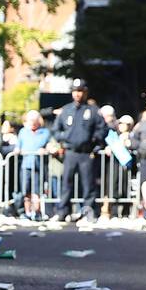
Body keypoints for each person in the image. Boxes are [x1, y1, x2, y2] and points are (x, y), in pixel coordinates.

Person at [50, 78, 106, 221]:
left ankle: (89, 212)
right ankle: (62, 211)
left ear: (85, 92)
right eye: (75, 91)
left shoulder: (93, 110)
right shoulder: (66, 110)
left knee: (88, 185)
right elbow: (55, 130)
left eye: (80, 91)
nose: (77, 94)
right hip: (70, 152)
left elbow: (102, 130)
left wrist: (94, 141)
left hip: (86, 153)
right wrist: (64, 137)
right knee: (66, 183)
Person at [14, 109, 51, 220]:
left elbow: (48, 145)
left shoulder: (45, 132)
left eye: (34, 120)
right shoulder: (23, 132)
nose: (32, 123)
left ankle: (37, 212)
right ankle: (27, 213)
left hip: (38, 165)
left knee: (37, 191)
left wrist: (45, 149)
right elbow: (18, 146)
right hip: (25, 165)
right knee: (26, 191)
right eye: (30, 120)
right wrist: (17, 149)